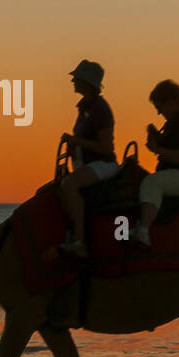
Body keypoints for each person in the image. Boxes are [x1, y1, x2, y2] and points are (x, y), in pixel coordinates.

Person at [134, 80, 179, 247]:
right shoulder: (173, 123)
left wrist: (156, 150)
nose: (159, 112)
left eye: (160, 107)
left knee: (152, 183)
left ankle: (143, 232)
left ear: (172, 101)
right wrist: (156, 138)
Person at [58, 60, 118, 258]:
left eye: (77, 78)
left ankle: (79, 241)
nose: (73, 80)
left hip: (104, 164)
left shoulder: (100, 109)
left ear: (86, 82)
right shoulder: (85, 108)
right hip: (88, 163)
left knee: (69, 185)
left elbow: (105, 147)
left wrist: (76, 141)